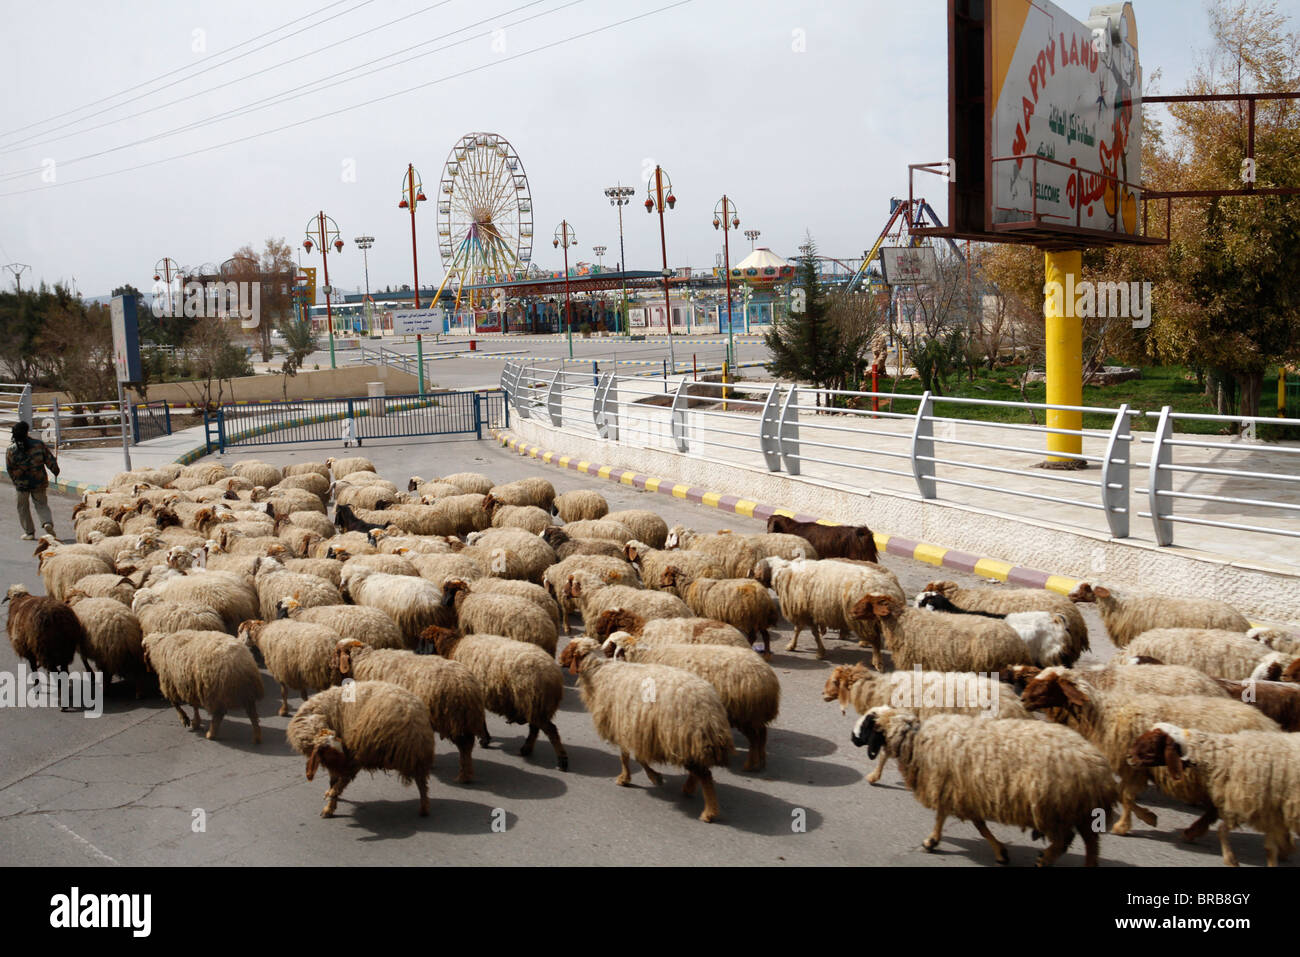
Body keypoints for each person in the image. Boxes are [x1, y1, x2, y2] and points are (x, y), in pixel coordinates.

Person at [6, 421, 59, 541]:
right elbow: (50, 461)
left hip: (21, 485)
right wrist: (55, 470)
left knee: (23, 508)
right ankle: (47, 523)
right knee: (41, 504)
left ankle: (29, 532)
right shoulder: (38, 444)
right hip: (39, 481)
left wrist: (15, 481)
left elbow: (10, 468)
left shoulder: (11, 449)